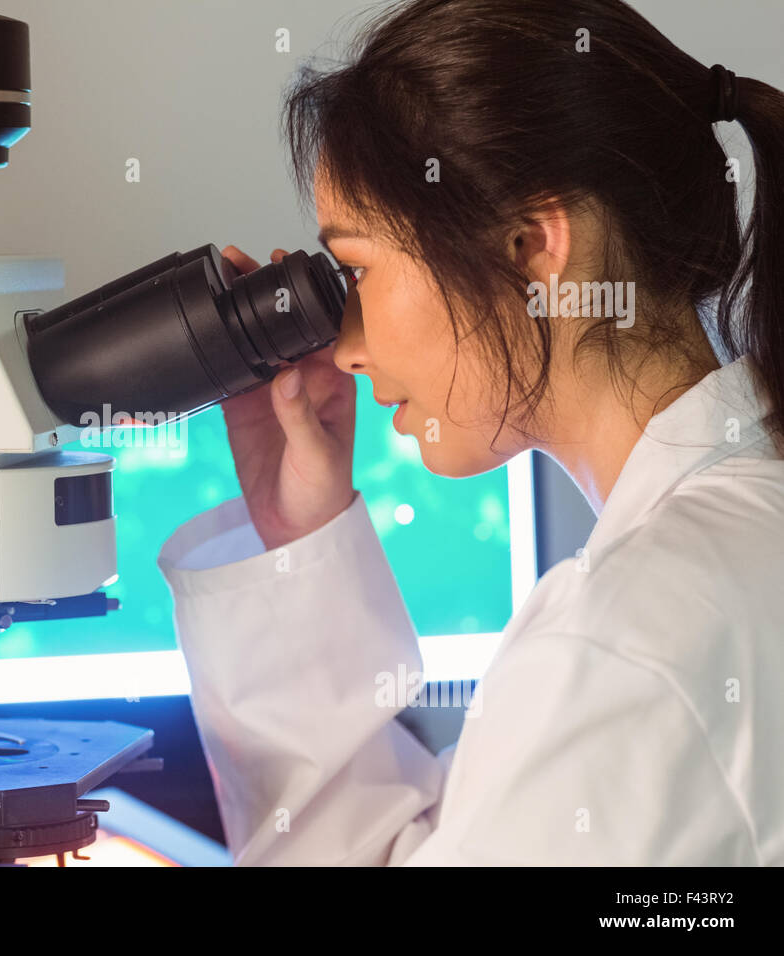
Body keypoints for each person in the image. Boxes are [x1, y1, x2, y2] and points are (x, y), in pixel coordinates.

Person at [157, 0, 784, 865]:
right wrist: (295, 538)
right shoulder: (732, 535)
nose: (344, 349)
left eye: (358, 269)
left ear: (534, 245)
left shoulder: (623, 644)